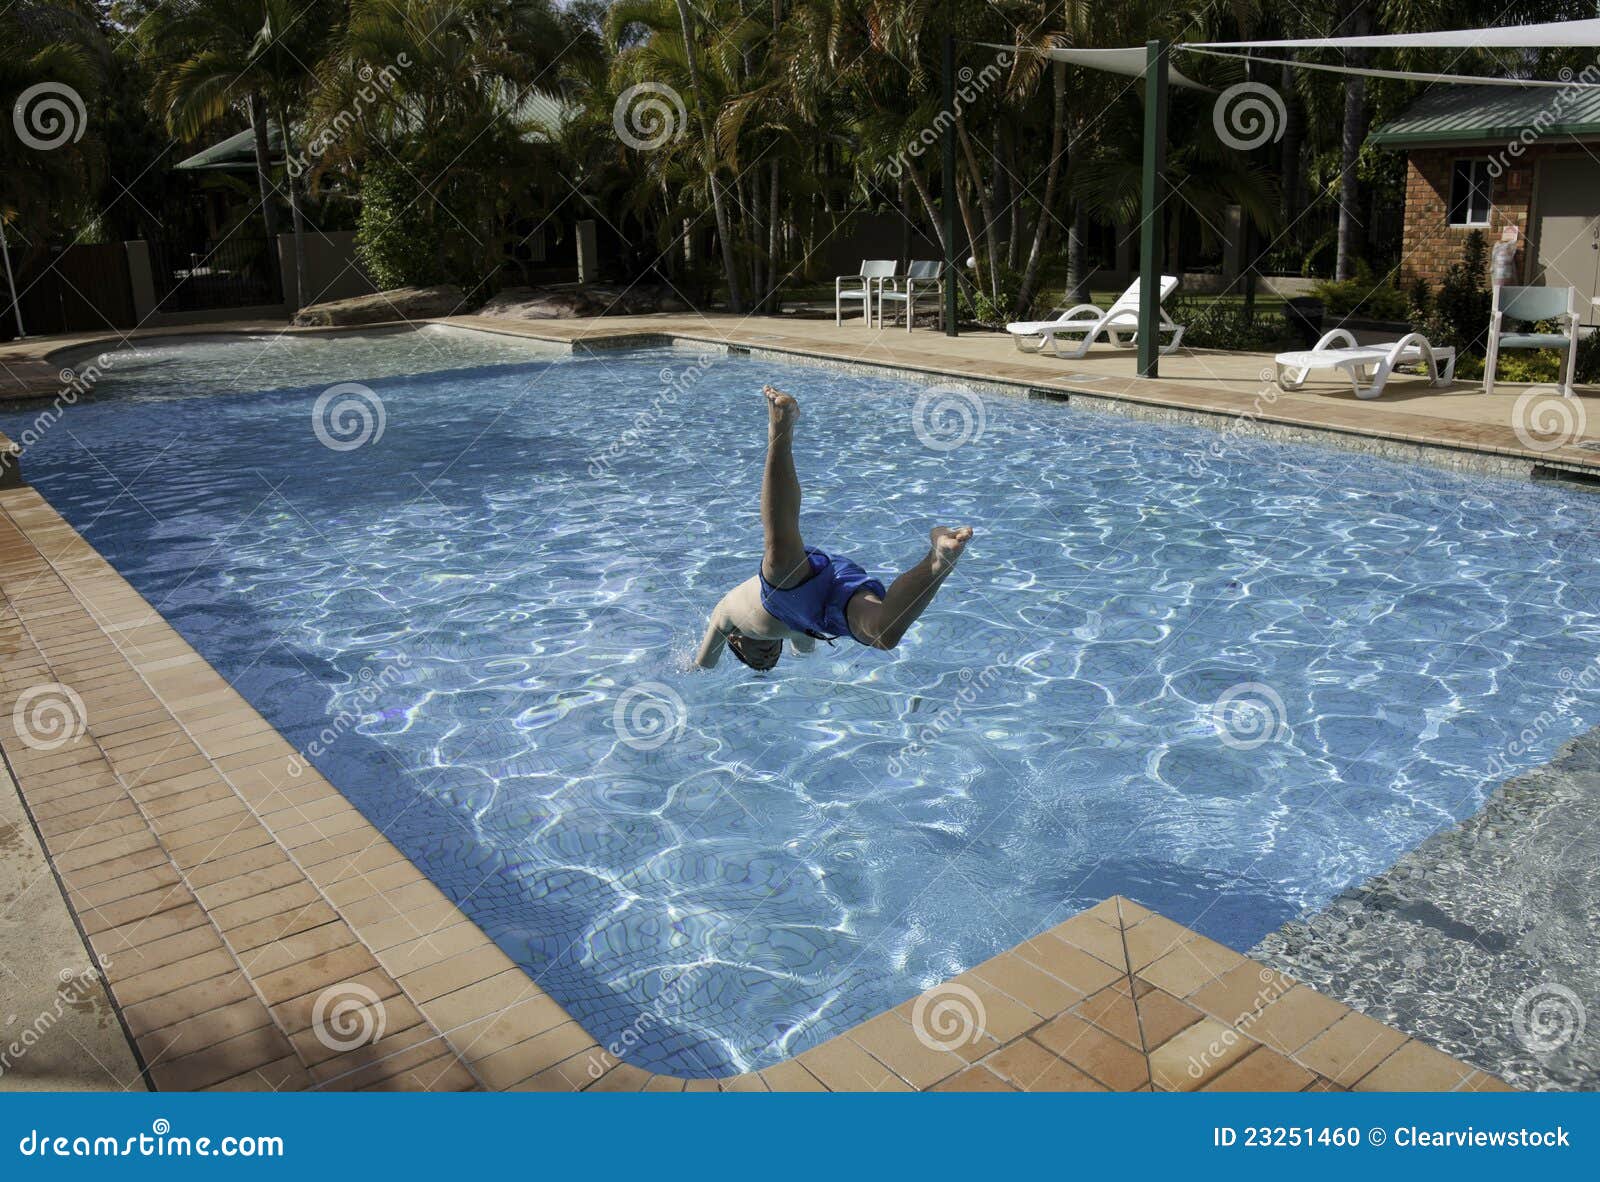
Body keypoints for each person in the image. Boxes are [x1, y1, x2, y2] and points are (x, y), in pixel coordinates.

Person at [695, 385, 973, 671]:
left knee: (779, 552)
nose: (766, 658)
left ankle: (779, 431)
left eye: (756, 657)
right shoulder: (798, 637)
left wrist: (695, 670)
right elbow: (808, 660)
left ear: (736, 643)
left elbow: (701, 666)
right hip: (819, 612)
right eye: (768, 657)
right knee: (884, 634)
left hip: (783, 592)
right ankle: (939, 560)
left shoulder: (724, 619)